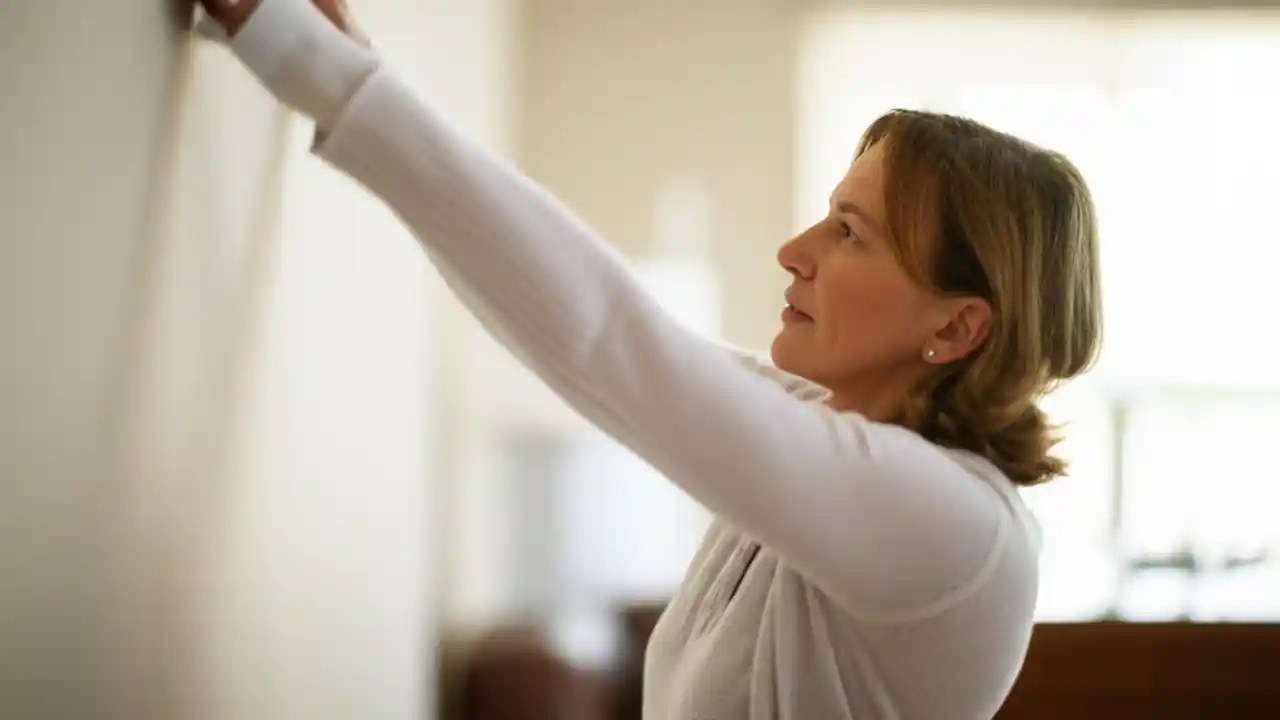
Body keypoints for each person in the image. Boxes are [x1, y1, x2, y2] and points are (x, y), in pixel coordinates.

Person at [197, 0, 1102, 717]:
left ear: (956, 328)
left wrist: (328, 76)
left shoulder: (952, 526)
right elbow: (562, 329)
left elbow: (606, 339)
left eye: (850, 233)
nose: (796, 249)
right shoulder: (821, 426)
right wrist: (353, 70)